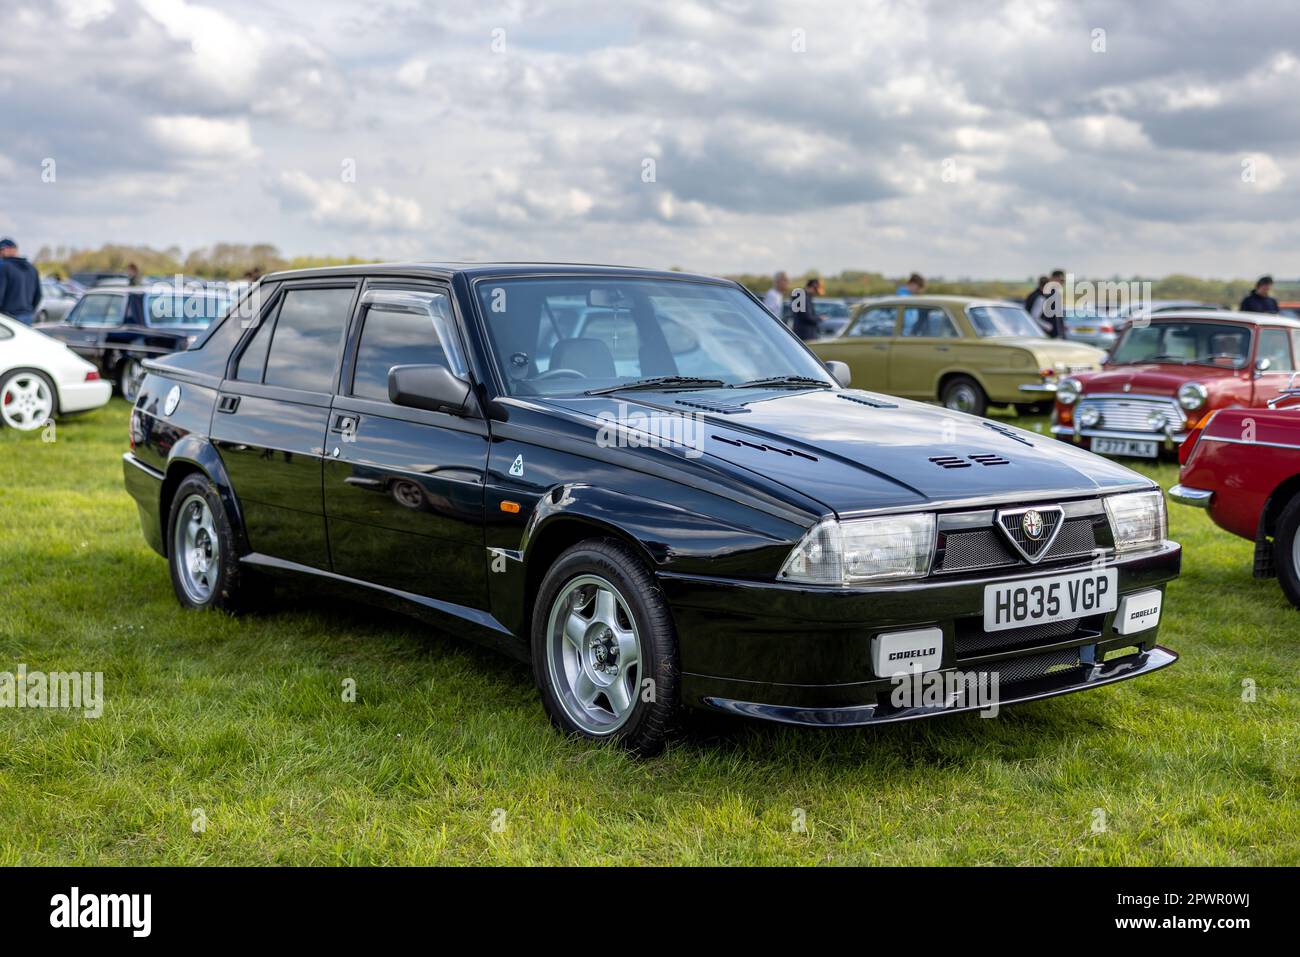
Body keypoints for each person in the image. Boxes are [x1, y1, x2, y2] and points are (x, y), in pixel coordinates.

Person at [0, 239, 42, 325]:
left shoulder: (4, 267)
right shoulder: (32, 268)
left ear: (6, 250)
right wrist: (29, 311)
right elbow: (39, 295)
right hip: (27, 316)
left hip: (8, 318)